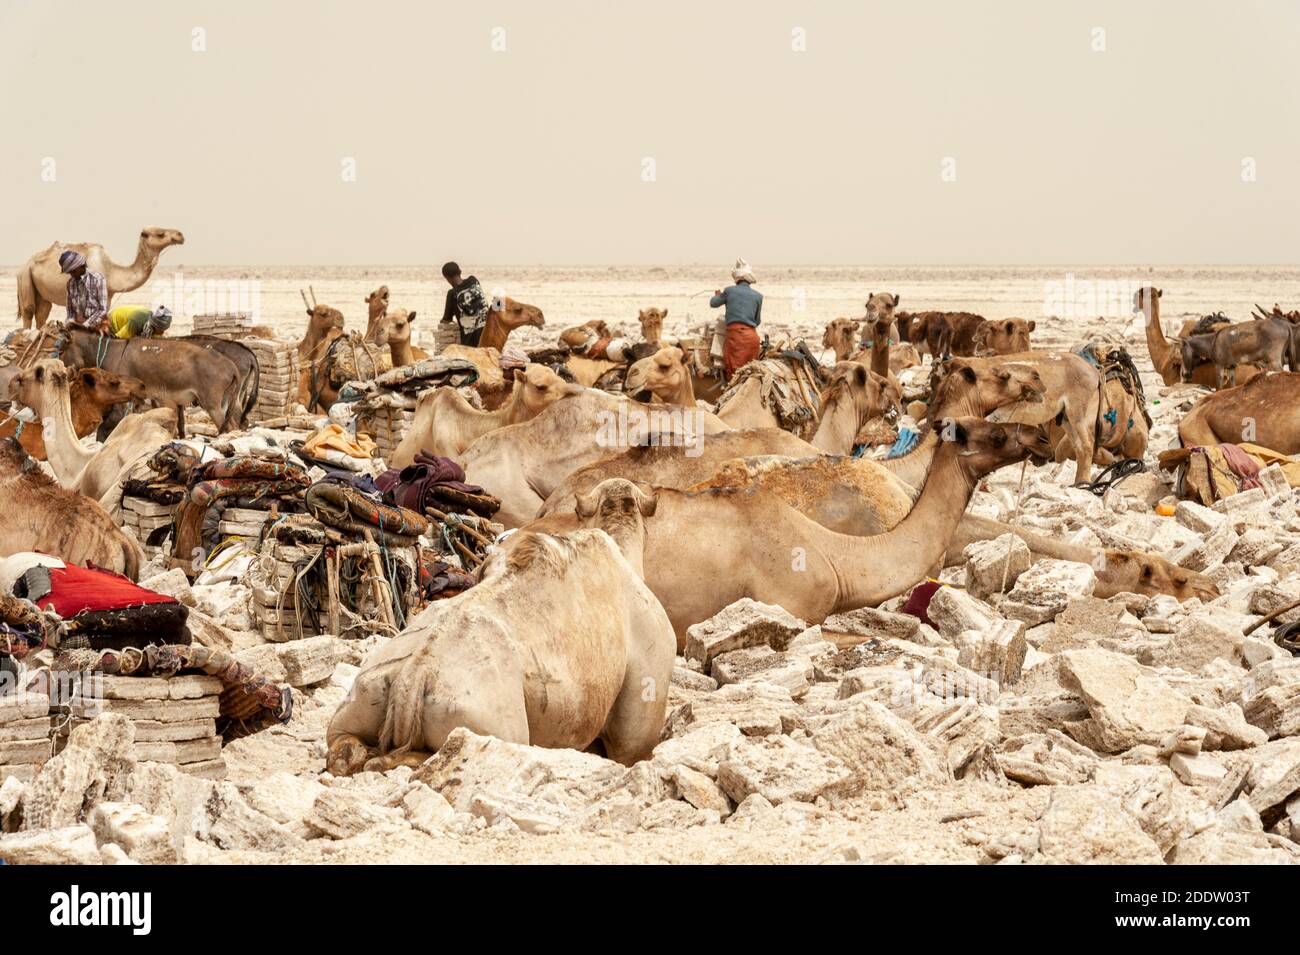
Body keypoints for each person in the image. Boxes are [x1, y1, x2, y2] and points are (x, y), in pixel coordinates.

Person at [710, 258, 763, 378]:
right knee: (750, 372)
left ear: (737, 278)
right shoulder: (758, 296)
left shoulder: (729, 291)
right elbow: (757, 321)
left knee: (734, 372)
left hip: (735, 338)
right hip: (752, 339)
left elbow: (713, 303)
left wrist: (718, 295)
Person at [439, 261, 493, 347]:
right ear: (460, 271)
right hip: (489, 335)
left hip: (471, 344)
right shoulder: (473, 280)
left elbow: (446, 319)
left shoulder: (452, 293)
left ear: (447, 278)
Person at [60, 250, 108, 330]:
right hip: (77, 326)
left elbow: (102, 310)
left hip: (96, 326)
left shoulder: (98, 279)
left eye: (73, 271)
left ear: (81, 265)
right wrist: (70, 322)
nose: (72, 274)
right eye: (69, 272)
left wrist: (86, 325)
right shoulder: (70, 284)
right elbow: (70, 311)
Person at [107, 304, 173, 339]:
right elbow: (118, 339)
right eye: (161, 330)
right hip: (112, 322)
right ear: (155, 326)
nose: (162, 333)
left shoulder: (151, 318)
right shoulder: (135, 323)